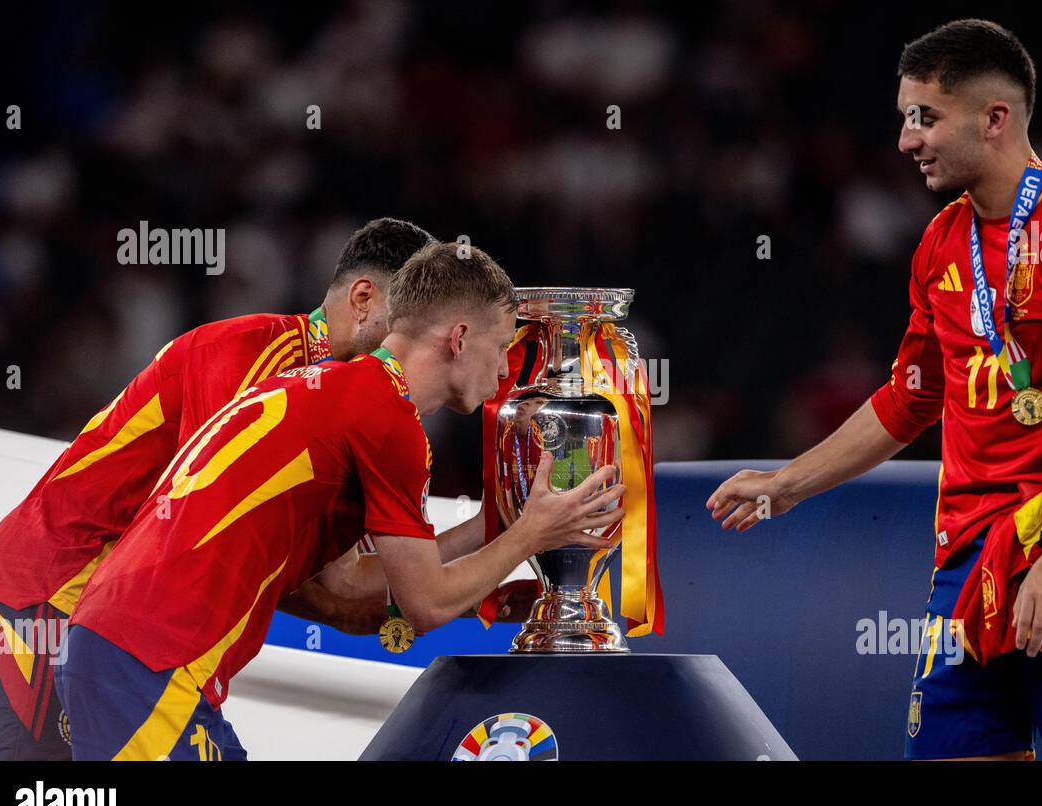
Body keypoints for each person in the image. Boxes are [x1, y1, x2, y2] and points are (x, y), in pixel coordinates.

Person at [708, 19, 1042, 761]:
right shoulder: (940, 243)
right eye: (903, 119)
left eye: (924, 117)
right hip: (966, 562)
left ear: (995, 119)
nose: (905, 140)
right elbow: (909, 398)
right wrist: (786, 483)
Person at [55, 241, 624, 760]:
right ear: (459, 338)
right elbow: (425, 603)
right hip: (146, 662)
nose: (504, 369)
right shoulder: (387, 423)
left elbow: (347, 586)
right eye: (501, 347)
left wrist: (495, 525)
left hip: (128, 651)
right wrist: (531, 536)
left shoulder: (341, 390)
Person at [0, 218, 437, 760]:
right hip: (56, 586)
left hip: (125, 631)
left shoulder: (352, 410)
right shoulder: (246, 353)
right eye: (409, 329)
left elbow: (337, 589)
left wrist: (471, 583)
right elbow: (197, 539)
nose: (417, 354)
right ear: (363, 298)